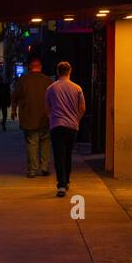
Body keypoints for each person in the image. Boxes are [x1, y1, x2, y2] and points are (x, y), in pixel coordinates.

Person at [45, 61, 86, 197]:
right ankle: (67, 180)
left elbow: (47, 108)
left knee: (58, 155)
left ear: (58, 72)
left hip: (57, 125)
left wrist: (52, 118)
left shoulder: (51, 88)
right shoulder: (77, 88)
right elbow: (82, 108)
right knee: (68, 154)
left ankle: (61, 184)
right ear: (70, 71)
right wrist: (76, 119)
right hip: (72, 126)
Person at [10, 57, 52, 178]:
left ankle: (32, 169)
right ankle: (44, 167)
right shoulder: (48, 81)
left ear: (30, 67)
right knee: (45, 143)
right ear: (40, 67)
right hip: (46, 118)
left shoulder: (23, 80)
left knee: (31, 144)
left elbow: (15, 97)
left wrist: (13, 111)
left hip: (28, 118)